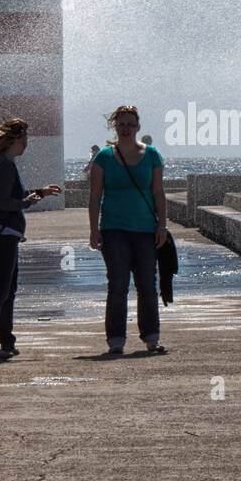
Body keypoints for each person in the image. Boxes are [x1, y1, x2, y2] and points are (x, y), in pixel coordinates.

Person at [0, 119, 61, 360]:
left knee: (6, 289)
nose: (26, 144)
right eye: (24, 139)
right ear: (14, 140)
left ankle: (5, 340)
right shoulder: (4, 165)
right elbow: (3, 202)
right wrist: (27, 202)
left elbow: (5, 195)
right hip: (0, 236)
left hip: (2, 235)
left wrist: (39, 192)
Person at [87, 105, 168, 355]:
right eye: (121, 124)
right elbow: (95, 195)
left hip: (145, 228)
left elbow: (158, 192)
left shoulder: (152, 155)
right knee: (118, 283)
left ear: (138, 127)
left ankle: (151, 337)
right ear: (115, 127)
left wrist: (162, 225)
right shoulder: (104, 157)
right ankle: (116, 340)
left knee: (147, 283)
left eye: (130, 124)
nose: (125, 129)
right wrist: (93, 230)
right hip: (114, 229)